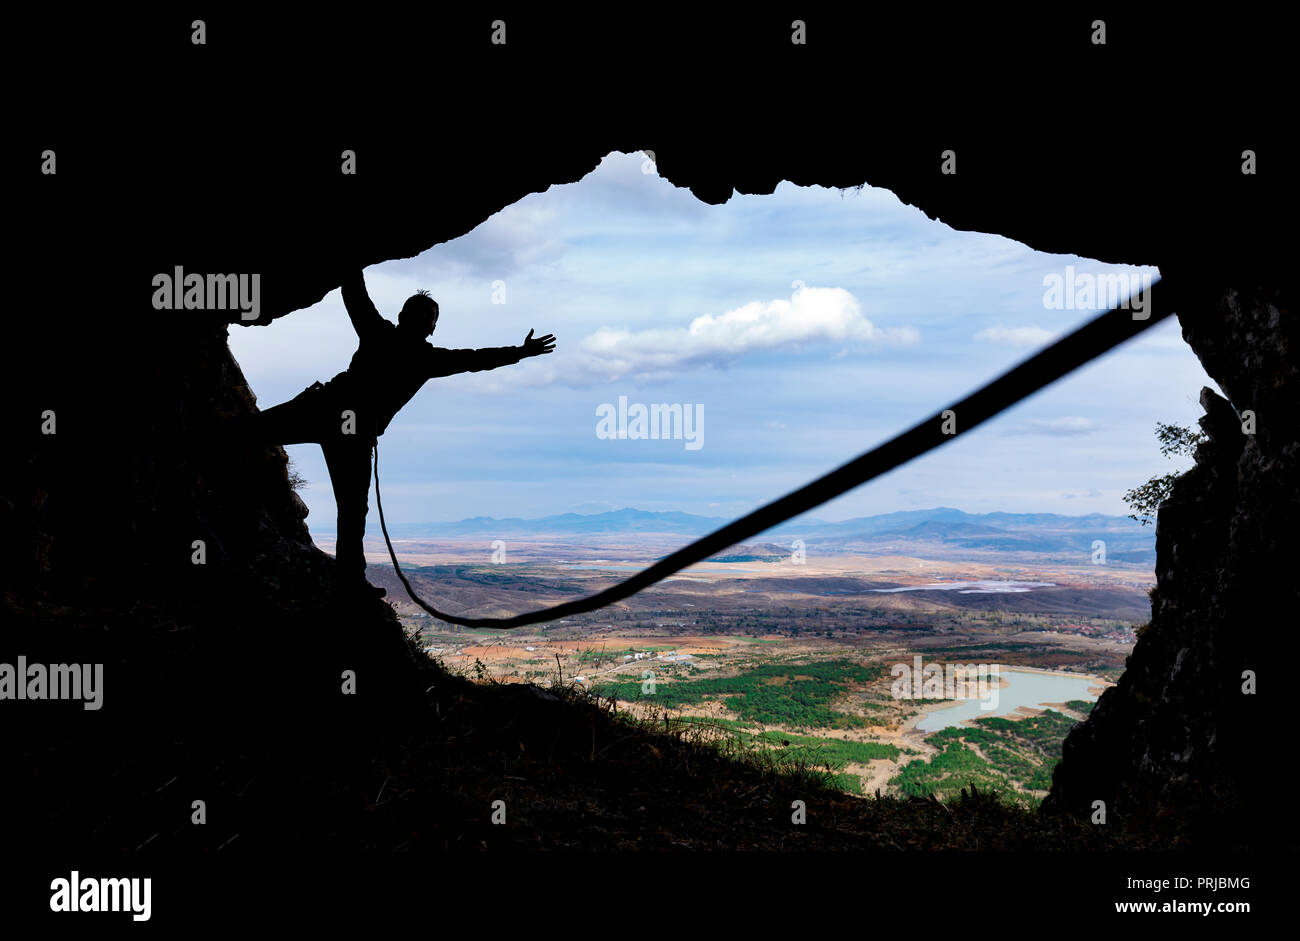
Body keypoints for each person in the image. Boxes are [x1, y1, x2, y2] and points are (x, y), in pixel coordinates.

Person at [249, 268, 555, 599]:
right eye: (426, 317)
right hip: (351, 433)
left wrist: (352, 263)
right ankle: (350, 584)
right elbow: (475, 359)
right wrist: (520, 353)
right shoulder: (426, 358)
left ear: (404, 317)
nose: (426, 323)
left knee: (248, 436)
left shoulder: (380, 334)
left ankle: (198, 450)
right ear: (429, 326)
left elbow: (355, 294)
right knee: (352, 511)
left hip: (322, 409)